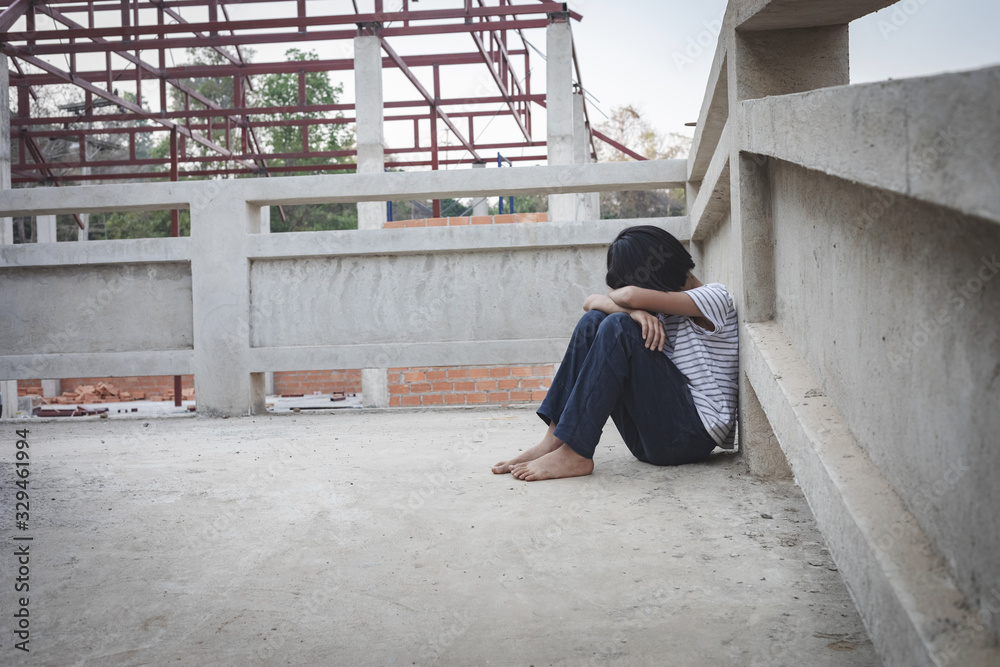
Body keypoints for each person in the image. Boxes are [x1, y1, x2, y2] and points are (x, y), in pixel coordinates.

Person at [492, 225, 738, 481]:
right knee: (595, 320)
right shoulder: (661, 311)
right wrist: (632, 311)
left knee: (617, 326)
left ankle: (576, 453)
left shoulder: (714, 297)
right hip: (649, 440)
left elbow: (628, 295)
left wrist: (630, 308)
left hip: (692, 436)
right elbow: (591, 302)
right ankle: (555, 439)